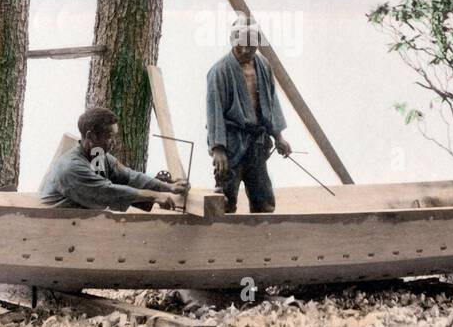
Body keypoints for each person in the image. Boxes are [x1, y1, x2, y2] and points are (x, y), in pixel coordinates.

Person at [205, 16, 291, 213]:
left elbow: (271, 102)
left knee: (264, 201)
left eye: (251, 47)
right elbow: (214, 112)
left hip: (256, 143)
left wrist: (278, 136)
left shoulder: (263, 65)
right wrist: (218, 149)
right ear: (232, 42)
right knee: (224, 201)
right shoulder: (219, 71)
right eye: (240, 46)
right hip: (231, 144)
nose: (245, 51)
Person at [41, 106, 188, 211]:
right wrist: (155, 196)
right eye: (109, 136)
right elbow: (107, 192)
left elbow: (130, 176)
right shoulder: (72, 167)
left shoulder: (97, 156)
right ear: (90, 136)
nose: (114, 142)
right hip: (54, 226)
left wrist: (168, 187)